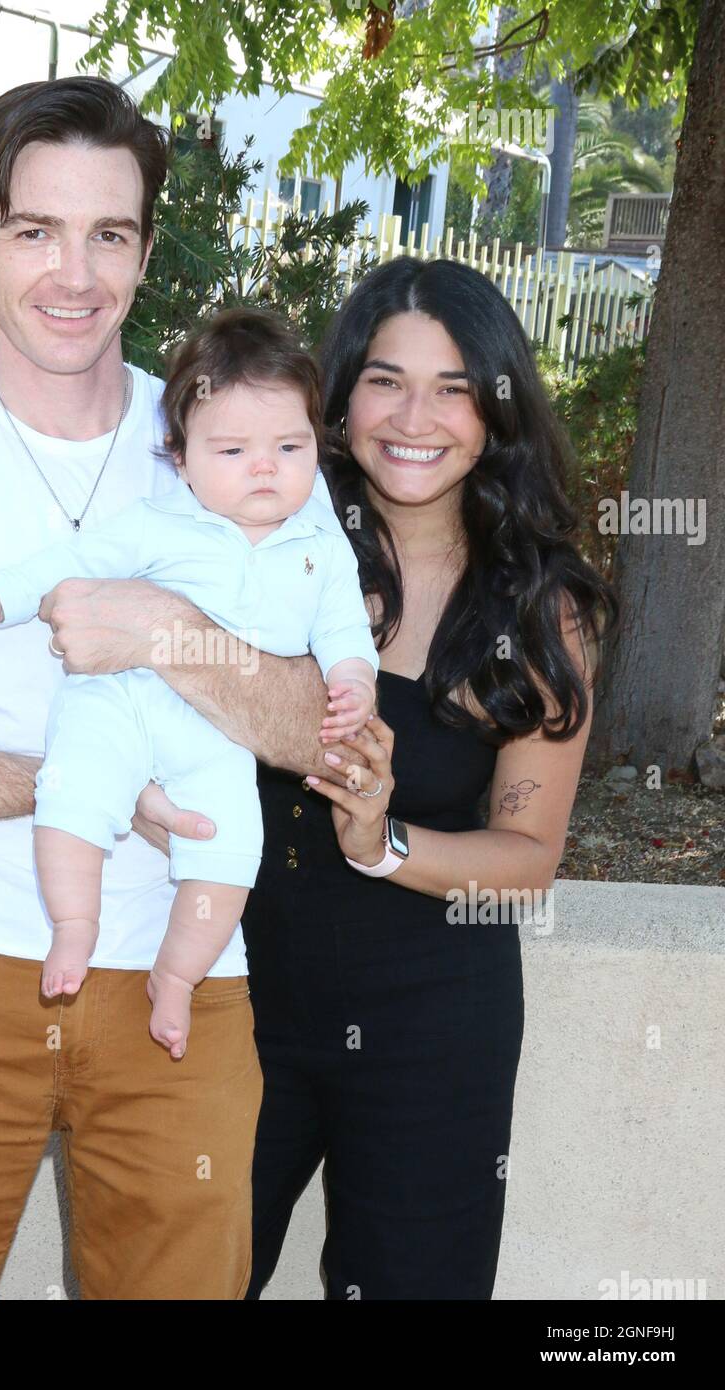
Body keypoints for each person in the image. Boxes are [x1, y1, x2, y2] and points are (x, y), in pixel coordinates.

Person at [0, 77, 375, 1300]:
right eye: (34, 229)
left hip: (185, 990)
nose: (74, 272)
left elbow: (314, 731)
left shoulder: (239, 446)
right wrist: (83, 789)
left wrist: (164, 628)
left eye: (108, 233)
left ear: (146, 252)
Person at [241, 256, 618, 1300]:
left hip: (432, 1025)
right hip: (231, 994)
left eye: (454, 387)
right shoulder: (262, 554)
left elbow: (525, 861)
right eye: (384, 379)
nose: (415, 416)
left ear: (496, 410)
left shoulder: (543, 607)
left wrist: (380, 842)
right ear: (339, 393)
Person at [0, 308, 378, 1059]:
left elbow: (342, 633)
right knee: (73, 788)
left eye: (290, 447)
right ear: (182, 457)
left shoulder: (319, 551)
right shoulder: (159, 524)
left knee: (231, 847)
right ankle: (76, 926)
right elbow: (67, 565)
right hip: (121, 700)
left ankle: (176, 976)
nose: (264, 467)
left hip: (216, 732)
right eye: (233, 449)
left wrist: (354, 678)